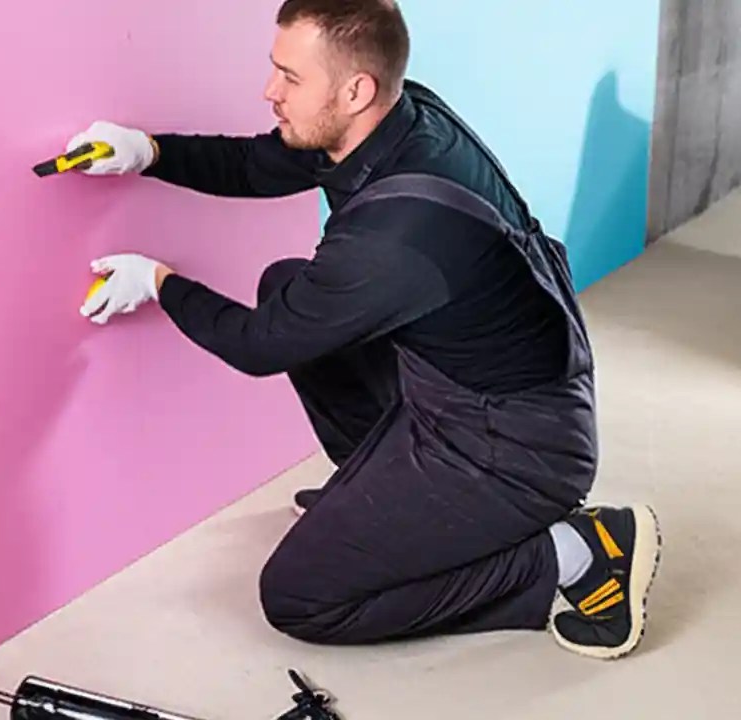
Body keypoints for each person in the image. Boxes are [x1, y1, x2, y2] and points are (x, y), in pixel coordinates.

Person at [64, 0, 660, 659]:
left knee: (300, 597)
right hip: (466, 389)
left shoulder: (397, 233)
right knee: (288, 285)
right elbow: (257, 166)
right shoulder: (396, 122)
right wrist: (147, 152)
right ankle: (386, 503)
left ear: (356, 90)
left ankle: (577, 554)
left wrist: (159, 283)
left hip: (516, 448)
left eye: (290, 77)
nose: (269, 91)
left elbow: (259, 347)